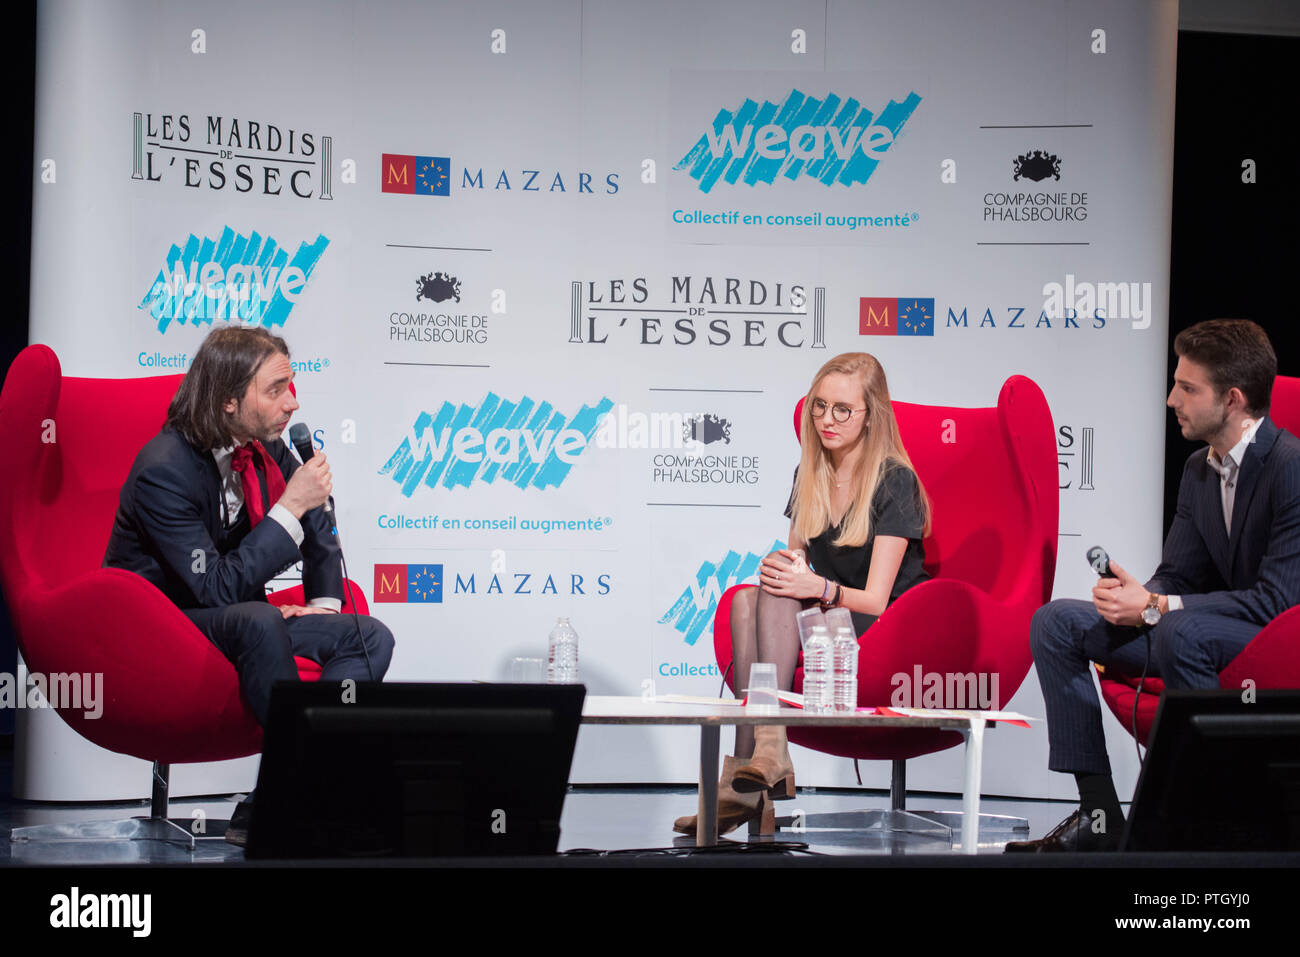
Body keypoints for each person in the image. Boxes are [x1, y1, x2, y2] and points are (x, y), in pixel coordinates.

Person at [1006, 319, 1300, 852]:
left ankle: (1201, 813)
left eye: (1188, 388)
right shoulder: (1199, 469)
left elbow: (1276, 603)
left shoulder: (1290, 467)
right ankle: (1098, 817)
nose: (1171, 399)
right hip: (1200, 629)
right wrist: (1135, 596)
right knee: (1058, 623)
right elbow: (1179, 576)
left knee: (1181, 632)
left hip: (1272, 639)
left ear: (1232, 399)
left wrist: (1161, 605)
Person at [104, 326, 395, 843]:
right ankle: (302, 790)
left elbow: (314, 522)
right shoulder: (163, 470)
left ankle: (282, 793)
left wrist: (324, 605)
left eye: (292, 384)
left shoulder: (265, 447)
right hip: (162, 625)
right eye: (276, 389)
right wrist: (291, 504)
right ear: (229, 401)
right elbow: (213, 587)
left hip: (235, 617)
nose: (293, 402)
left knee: (368, 635)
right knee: (259, 617)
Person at [674, 352, 931, 835]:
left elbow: (877, 599)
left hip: (888, 627)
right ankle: (760, 761)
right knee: (753, 595)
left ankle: (757, 765)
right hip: (829, 617)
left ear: (871, 415)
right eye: (819, 406)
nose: (827, 420)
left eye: (842, 410)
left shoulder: (896, 480)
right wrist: (785, 569)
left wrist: (817, 586)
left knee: (772, 596)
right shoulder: (810, 472)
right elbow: (796, 563)